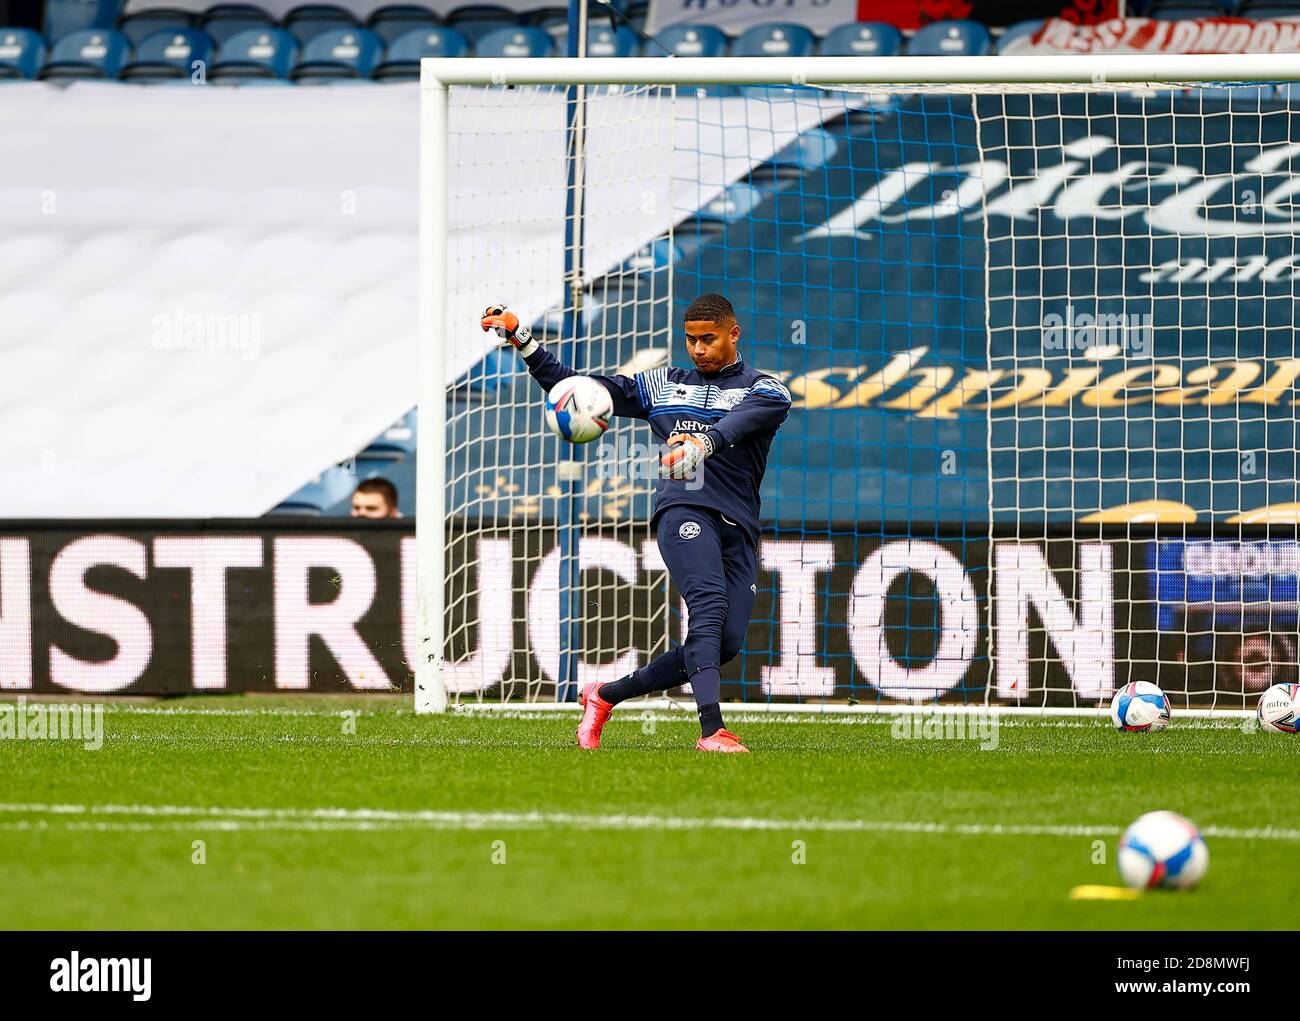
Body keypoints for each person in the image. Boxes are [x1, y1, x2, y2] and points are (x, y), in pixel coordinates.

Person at [483, 294, 791, 753]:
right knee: (706, 609)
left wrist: (702, 444)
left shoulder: (766, 390)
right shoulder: (661, 383)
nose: (699, 349)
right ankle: (712, 731)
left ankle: (604, 696)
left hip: (739, 524)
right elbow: (576, 388)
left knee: (725, 642)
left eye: (708, 339)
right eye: (691, 340)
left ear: (733, 334)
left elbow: (738, 426)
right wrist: (523, 341)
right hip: (683, 509)